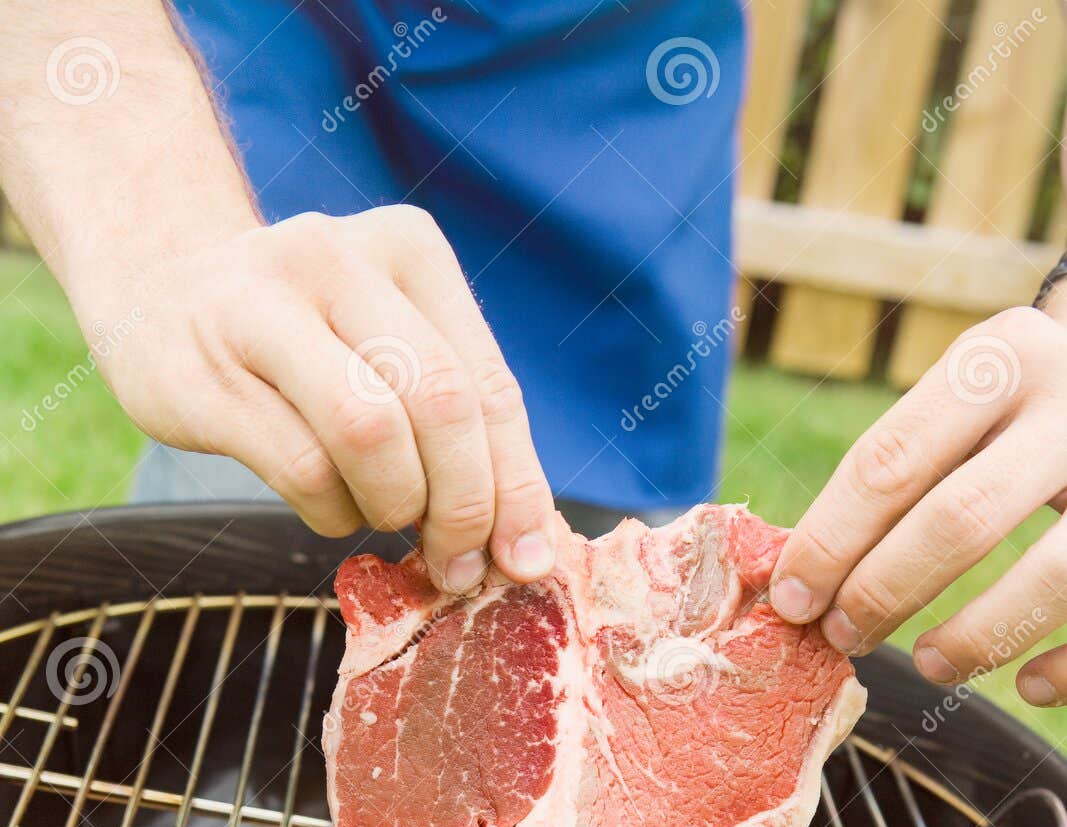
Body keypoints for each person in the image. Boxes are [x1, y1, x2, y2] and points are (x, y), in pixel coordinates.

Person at [1, 0, 1065, 707]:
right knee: (219, 683)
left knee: (591, 729)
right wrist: (165, 230)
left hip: (610, 128)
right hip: (264, 118)